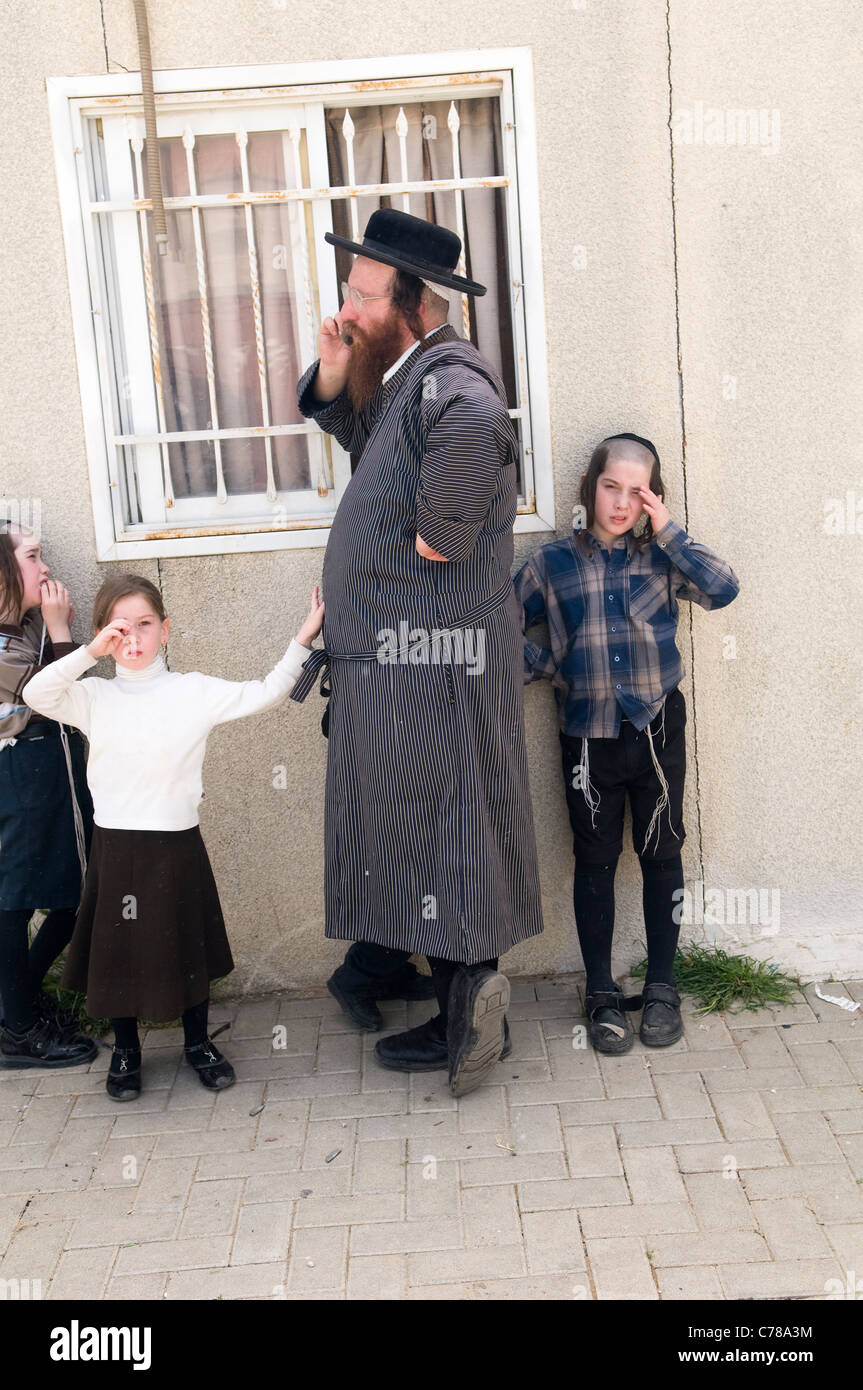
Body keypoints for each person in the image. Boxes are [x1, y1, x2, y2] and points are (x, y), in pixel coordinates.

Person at [292, 208, 543, 1096]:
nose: (348, 308)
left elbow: (442, 537)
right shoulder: (407, 380)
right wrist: (332, 370)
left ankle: (470, 1019)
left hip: (435, 668)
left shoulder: (460, 397)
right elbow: (368, 444)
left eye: (362, 295)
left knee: (452, 831)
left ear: (412, 302)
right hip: (398, 662)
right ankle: (407, 982)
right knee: (412, 826)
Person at [23, 573, 324, 1100]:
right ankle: (125, 1052)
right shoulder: (93, 695)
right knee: (118, 955)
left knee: (188, 946)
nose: (133, 637)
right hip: (115, 848)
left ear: (166, 630)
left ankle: (197, 1044)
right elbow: (36, 692)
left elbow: (269, 692)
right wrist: (89, 651)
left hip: (176, 846)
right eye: (120, 628)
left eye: (144, 624)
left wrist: (305, 636)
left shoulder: (193, 692)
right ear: (103, 636)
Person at [514, 433, 739, 1053]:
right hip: (588, 736)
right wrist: (553, 665)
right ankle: (600, 991)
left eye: (636, 492)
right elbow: (495, 630)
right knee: (595, 862)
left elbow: (723, 589)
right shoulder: (551, 563)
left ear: (651, 498)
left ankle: (662, 989)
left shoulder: (662, 556)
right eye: (610, 486)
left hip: (657, 728)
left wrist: (668, 529)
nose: (620, 503)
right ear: (590, 487)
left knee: (662, 853)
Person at [0, 524, 97, 1068]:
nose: (46, 567)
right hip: (20, 775)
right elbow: (55, 694)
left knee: (75, 894)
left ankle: (18, 1000)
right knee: (14, 900)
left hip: (55, 766)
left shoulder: (26, 623)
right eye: (33, 557)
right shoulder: (6, 643)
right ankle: (18, 1030)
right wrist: (62, 633)